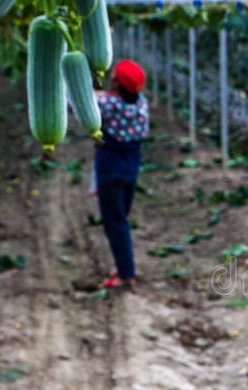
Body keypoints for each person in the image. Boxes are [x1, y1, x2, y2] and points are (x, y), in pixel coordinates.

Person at [94, 59, 149, 289]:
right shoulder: (141, 104)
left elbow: (78, 103)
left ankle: (126, 273)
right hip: (130, 170)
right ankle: (124, 267)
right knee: (121, 218)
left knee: (115, 223)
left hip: (110, 169)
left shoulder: (107, 105)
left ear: (116, 83)